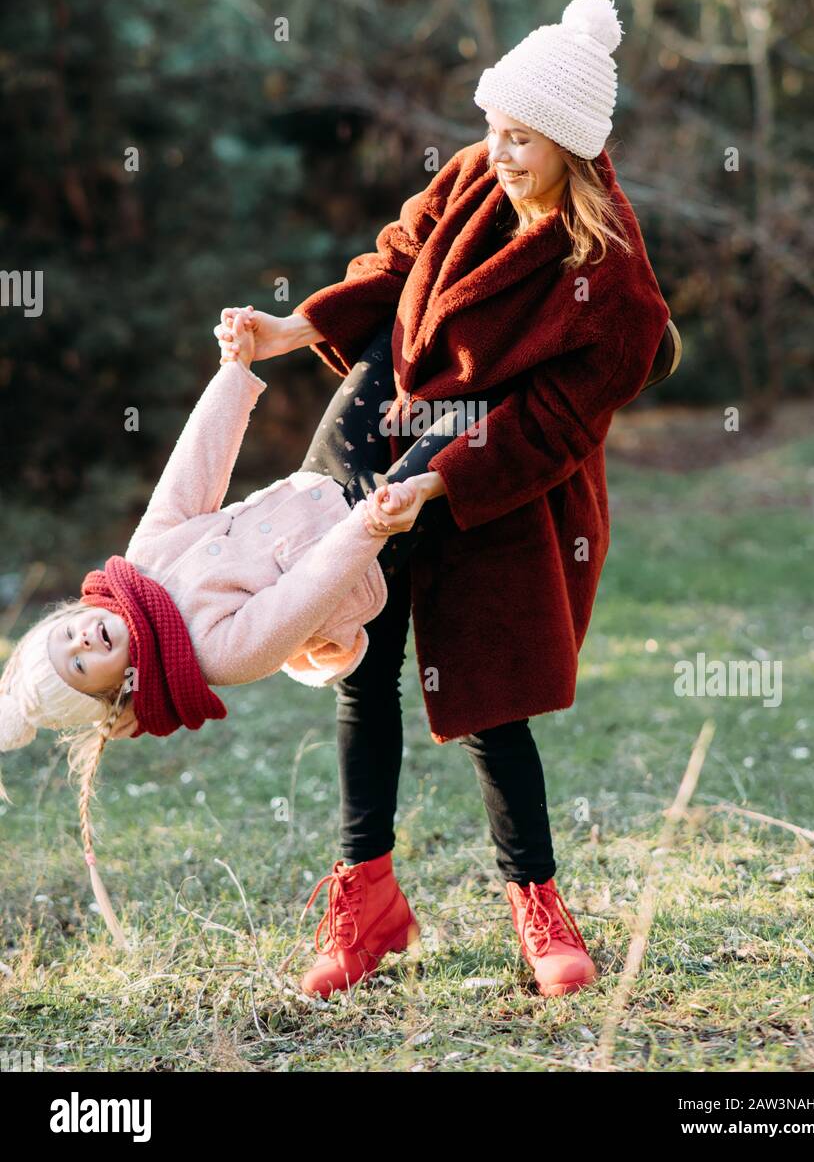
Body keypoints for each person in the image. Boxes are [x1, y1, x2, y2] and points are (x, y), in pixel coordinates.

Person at [213, 0, 675, 999]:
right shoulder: (468, 179)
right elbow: (391, 267)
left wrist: (442, 480)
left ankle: (537, 905)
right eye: (491, 127)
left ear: (571, 147)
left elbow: (554, 426)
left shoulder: (615, 285)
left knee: (487, 699)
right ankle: (365, 899)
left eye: (520, 137)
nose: (496, 150)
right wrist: (290, 331)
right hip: (376, 415)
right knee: (359, 660)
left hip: (499, 478)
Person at [0, 311, 480, 948]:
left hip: (317, 476)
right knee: (472, 409)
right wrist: (370, 525)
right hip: (369, 535)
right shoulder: (220, 656)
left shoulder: (143, 561)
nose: (83, 644)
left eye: (69, 638)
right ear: (121, 688)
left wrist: (236, 371)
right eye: (81, 667)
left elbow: (192, 471)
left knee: (390, 346)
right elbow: (300, 597)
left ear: (74, 615)